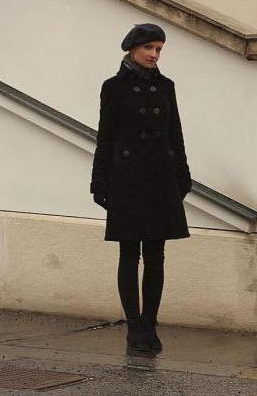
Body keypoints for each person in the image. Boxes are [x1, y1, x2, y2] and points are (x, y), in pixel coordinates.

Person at [89, 23, 192, 354]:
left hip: (161, 180)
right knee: (129, 253)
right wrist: (99, 181)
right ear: (132, 49)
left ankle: (150, 322)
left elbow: (175, 133)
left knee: (157, 255)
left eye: (159, 49)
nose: (154, 55)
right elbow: (105, 137)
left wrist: (182, 175)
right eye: (149, 48)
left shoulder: (167, 87)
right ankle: (134, 327)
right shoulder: (113, 88)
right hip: (128, 180)